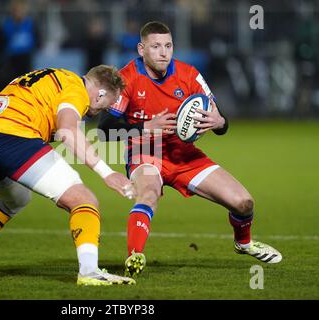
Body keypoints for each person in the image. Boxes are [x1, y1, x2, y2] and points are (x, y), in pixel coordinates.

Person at [98, 21, 282, 277]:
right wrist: (145, 126)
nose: (163, 52)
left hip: (185, 156)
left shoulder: (189, 75)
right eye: (156, 46)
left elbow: (220, 122)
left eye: (168, 46)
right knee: (148, 193)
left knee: (244, 203)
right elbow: (104, 129)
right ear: (141, 49)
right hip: (147, 154)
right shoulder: (126, 77)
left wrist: (220, 122)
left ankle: (244, 243)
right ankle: (135, 255)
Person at [0, 65, 136, 286]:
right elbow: (67, 131)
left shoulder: (52, 76)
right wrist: (106, 173)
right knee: (84, 199)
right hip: (12, 138)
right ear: (100, 95)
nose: (103, 111)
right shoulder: (76, 89)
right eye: (107, 105)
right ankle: (89, 272)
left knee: (16, 199)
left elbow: (15, 109)